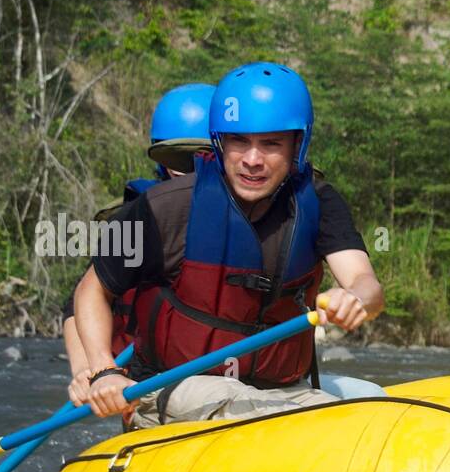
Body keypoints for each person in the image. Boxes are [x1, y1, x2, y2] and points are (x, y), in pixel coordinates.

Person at [72, 61, 384, 428]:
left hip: (279, 391)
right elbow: (90, 292)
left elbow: (366, 283)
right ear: (219, 142)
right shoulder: (165, 207)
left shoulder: (318, 202)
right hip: (172, 388)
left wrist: (355, 299)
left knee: (375, 410)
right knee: (259, 408)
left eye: (270, 144)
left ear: (297, 145)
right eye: (239, 141)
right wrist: (102, 371)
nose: (252, 160)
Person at [62, 83, 217, 405]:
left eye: (205, 159)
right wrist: (87, 370)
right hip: (153, 383)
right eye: (182, 162)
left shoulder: (256, 212)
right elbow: (79, 302)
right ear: (162, 160)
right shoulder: (144, 215)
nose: (194, 175)